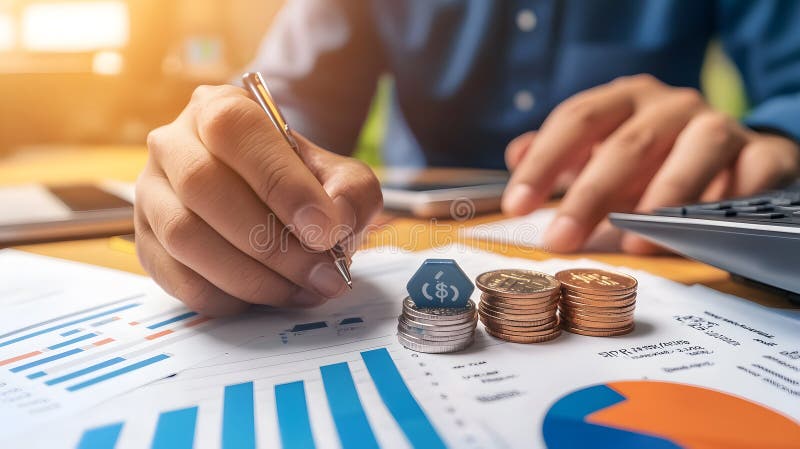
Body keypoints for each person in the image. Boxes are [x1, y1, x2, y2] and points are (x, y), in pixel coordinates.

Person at [136, 0, 800, 315]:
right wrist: (228, 159)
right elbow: (283, 115)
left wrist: (779, 139)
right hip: (406, 237)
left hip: (643, 239)